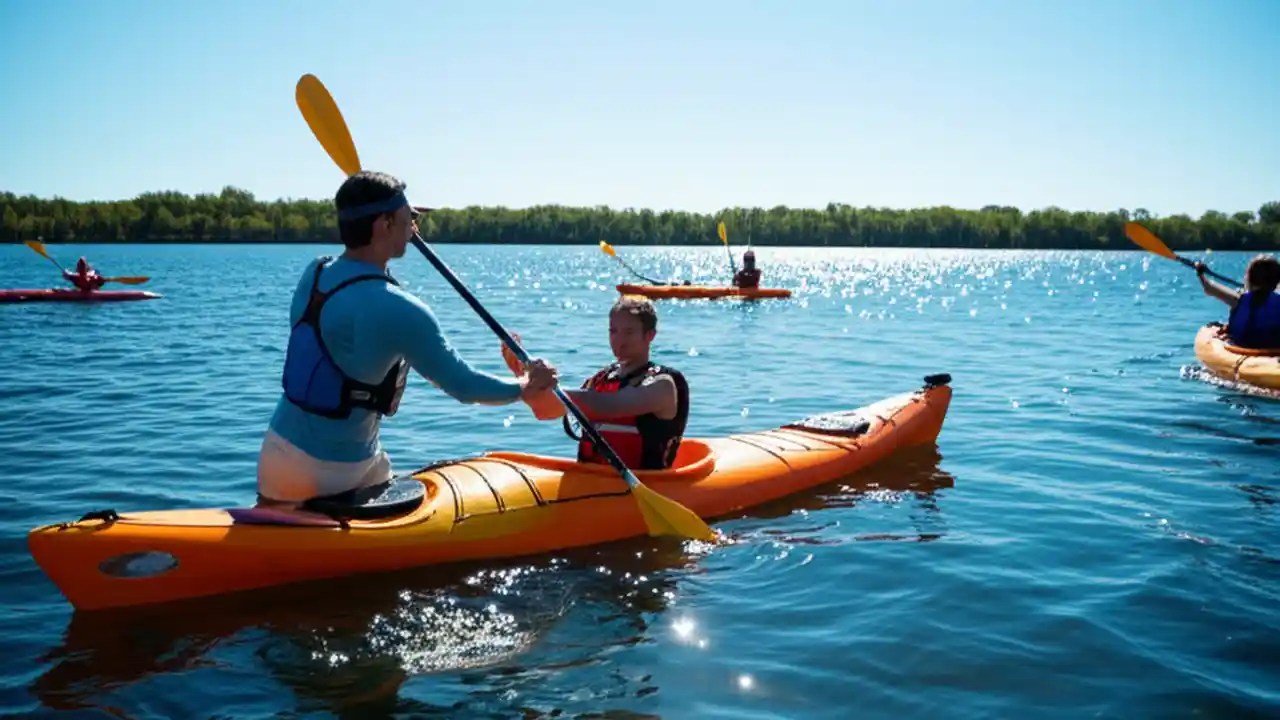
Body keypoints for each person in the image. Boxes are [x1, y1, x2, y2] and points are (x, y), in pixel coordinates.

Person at [257, 170, 558, 505]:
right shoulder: (399, 309)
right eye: (408, 218)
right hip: (334, 470)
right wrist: (527, 385)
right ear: (384, 225)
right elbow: (464, 385)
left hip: (276, 452)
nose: (415, 228)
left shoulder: (314, 273)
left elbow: (360, 290)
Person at [504, 295, 689, 470]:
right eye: (613, 331)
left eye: (629, 332)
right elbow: (545, 411)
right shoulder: (601, 379)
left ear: (650, 335)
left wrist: (550, 386)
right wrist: (525, 377)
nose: (619, 341)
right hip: (593, 481)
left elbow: (607, 405)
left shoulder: (662, 386)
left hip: (643, 485)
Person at [1196, 254, 1280, 349]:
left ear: (1249, 278)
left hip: (1243, 348)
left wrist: (1201, 274)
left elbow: (1209, 288)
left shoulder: (1238, 299)